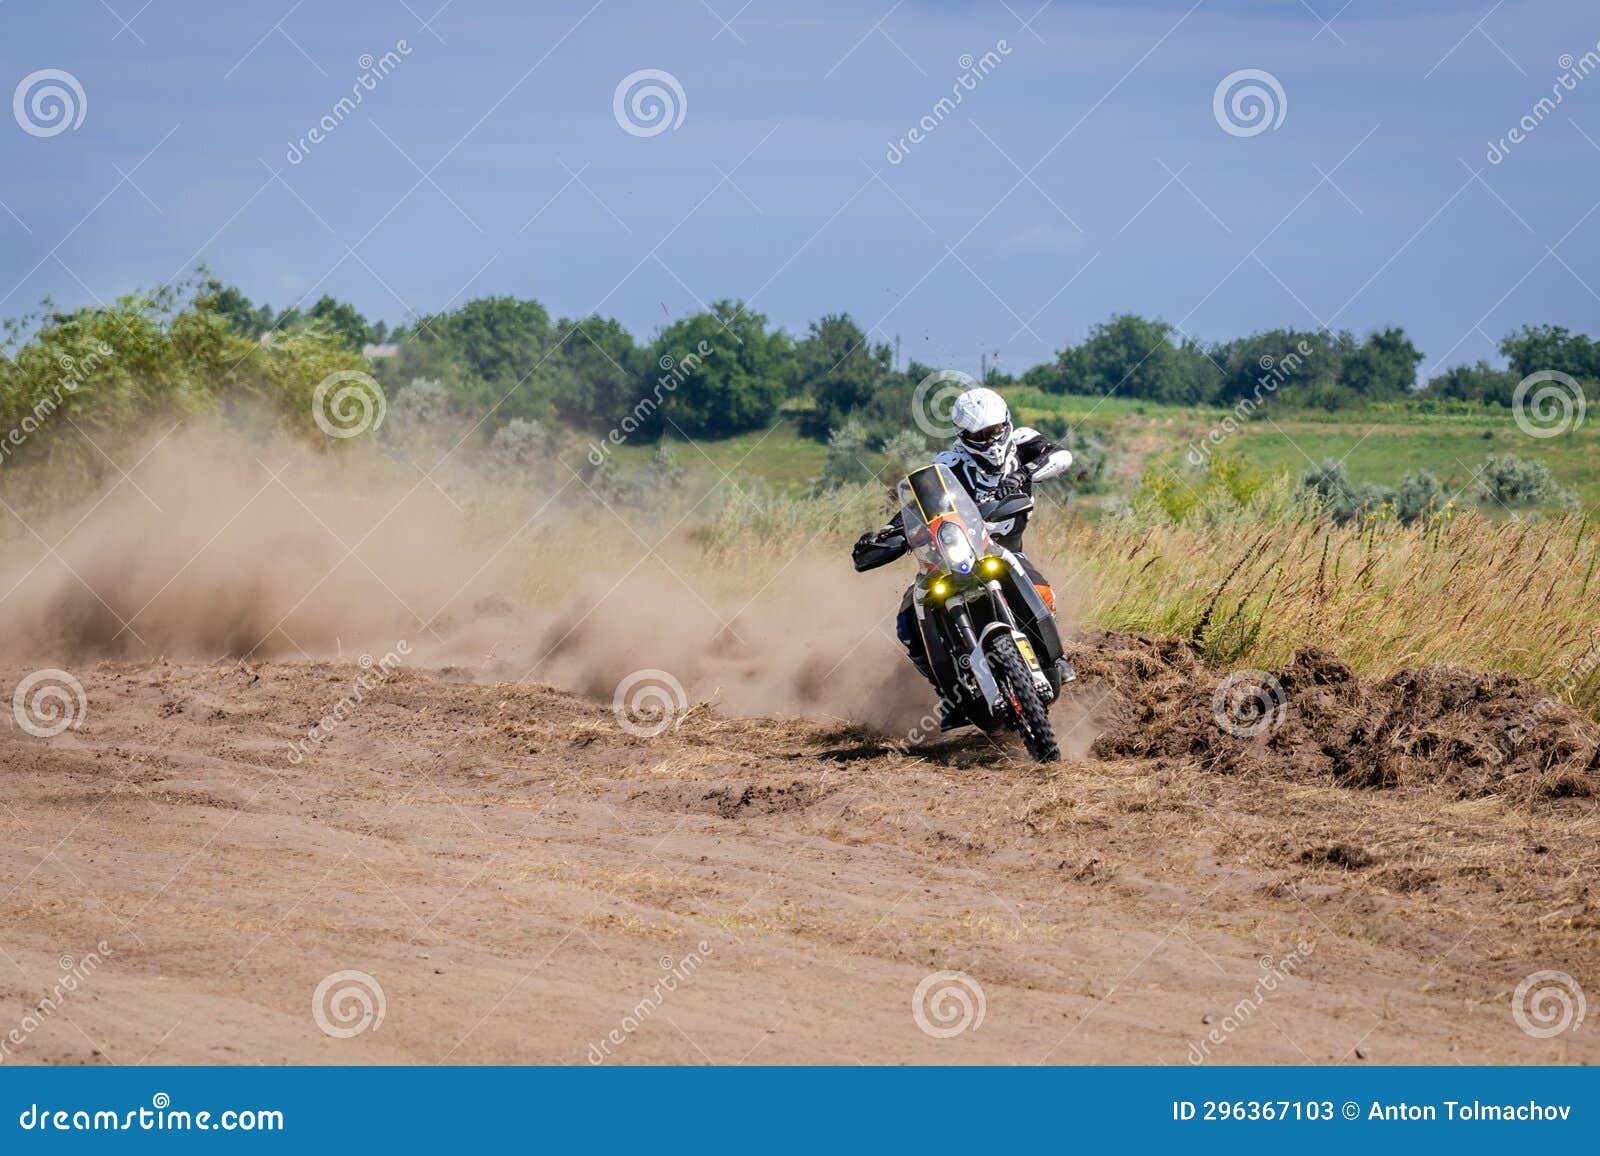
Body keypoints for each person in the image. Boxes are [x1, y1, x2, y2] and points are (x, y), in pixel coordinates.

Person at [852, 387, 1075, 721]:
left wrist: (1022, 474)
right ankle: (949, 694)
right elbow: (915, 507)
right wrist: (888, 533)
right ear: (963, 435)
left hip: (1006, 549)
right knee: (905, 624)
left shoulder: (1024, 442)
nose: (989, 441)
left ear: (1006, 424)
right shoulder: (949, 465)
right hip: (953, 555)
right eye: (979, 435)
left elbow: (1062, 456)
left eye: (994, 431)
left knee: (1044, 593)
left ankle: (1054, 659)